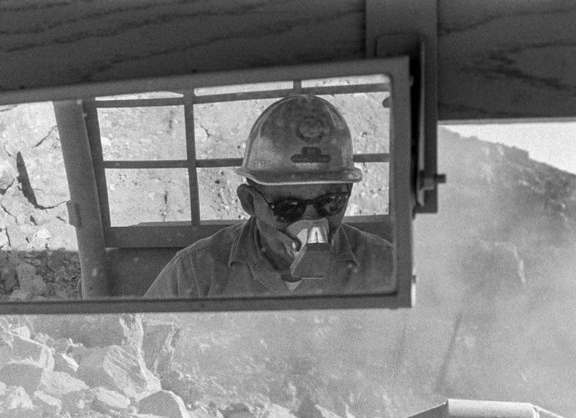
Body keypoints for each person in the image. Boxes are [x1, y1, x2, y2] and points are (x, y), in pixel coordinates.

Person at [145, 94, 393, 298]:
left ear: (348, 194)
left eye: (331, 202)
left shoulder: (386, 268)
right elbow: (138, 349)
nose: (313, 221)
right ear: (249, 201)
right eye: (288, 207)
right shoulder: (196, 275)